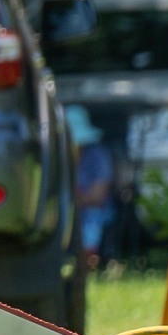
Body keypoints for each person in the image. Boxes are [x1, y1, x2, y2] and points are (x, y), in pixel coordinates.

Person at [67, 104, 116, 268]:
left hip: (95, 211)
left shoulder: (98, 156)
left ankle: (88, 259)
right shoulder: (58, 159)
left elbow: (97, 197)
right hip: (68, 209)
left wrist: (75, 199)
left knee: (91, 217)